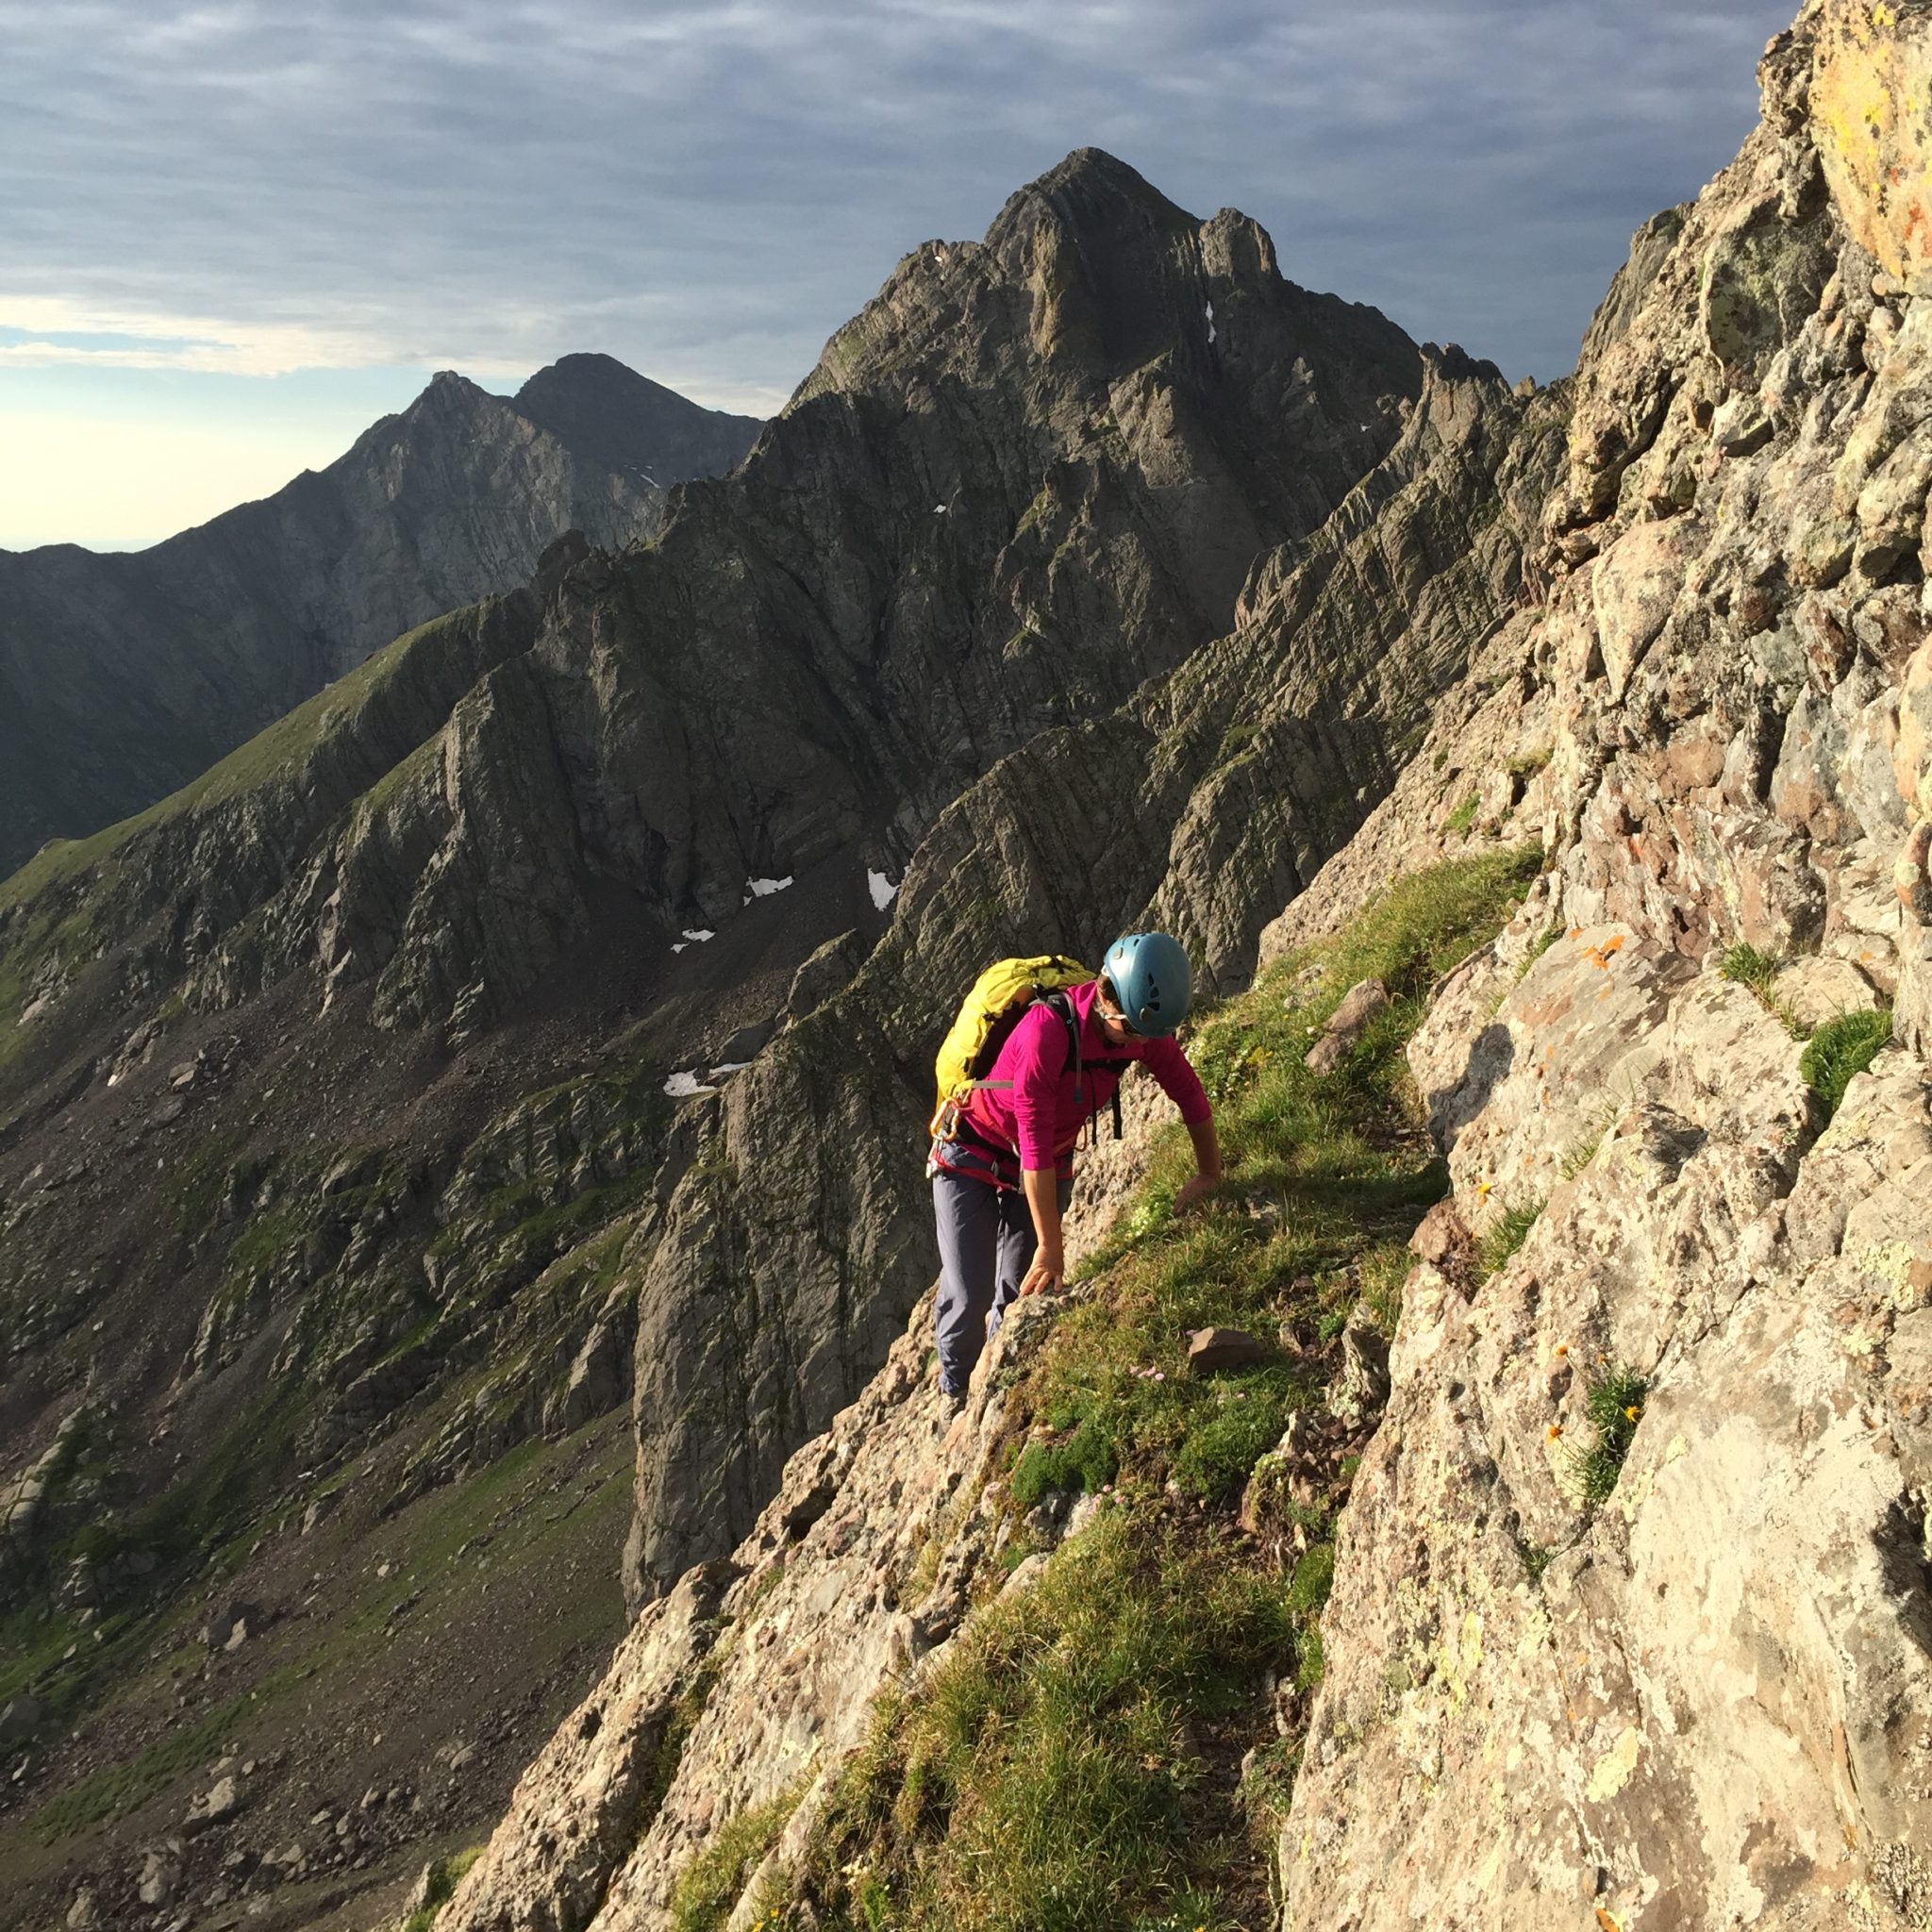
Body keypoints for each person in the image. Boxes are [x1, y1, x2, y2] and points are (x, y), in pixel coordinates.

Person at [928, 930, 1221, 1407]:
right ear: (1106, 997)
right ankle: (957, 1393)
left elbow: (1188, 1092)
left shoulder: (1140, 1030)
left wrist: (1209, 1171)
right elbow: (1033, 1145)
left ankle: (999, 1389)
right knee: (968, 1293)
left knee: (1023, 1289)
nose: (1140, 1046)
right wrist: (1051, 1245)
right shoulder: (1044, 1034)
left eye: (1149, 1036)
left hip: (1048, 1154)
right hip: (973, 1148)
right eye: (1131, 1032)